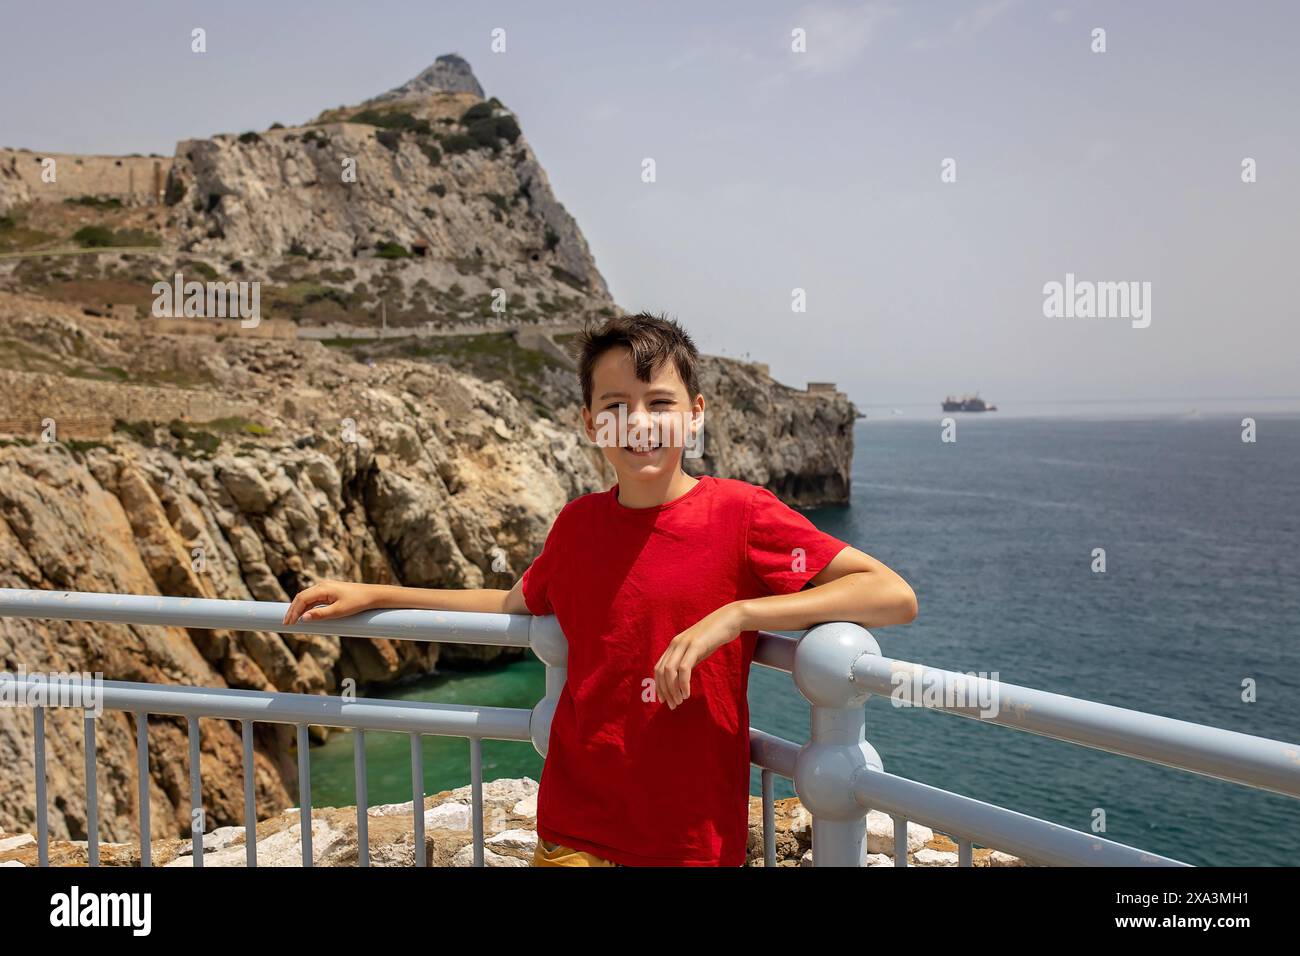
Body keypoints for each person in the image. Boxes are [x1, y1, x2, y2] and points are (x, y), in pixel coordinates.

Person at [282, 311, 918, 867]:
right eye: (616, 405)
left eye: (659, 403)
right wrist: (378, 593)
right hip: (571, 829)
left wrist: (739, 613)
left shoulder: (741, 514)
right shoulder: (580, 523)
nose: (638, 422)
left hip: (688, 837)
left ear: (695, 415)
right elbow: (512, 604)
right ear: (590, 423)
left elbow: (891, 594)